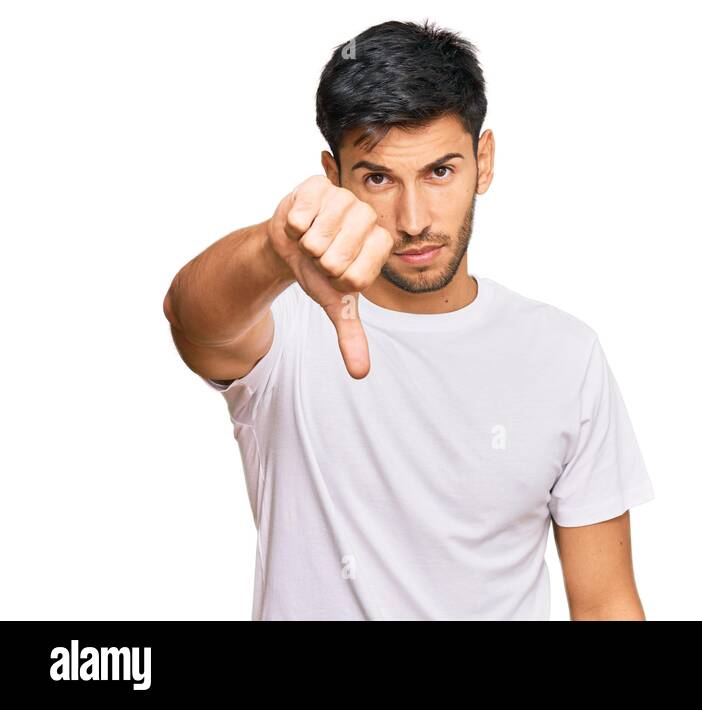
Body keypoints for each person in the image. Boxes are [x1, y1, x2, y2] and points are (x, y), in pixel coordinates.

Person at [162, 20, 654, 620]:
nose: (414, 218)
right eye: (378, 178)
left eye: (440, 172)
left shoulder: (564, 354)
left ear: (485, 161)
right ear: (334, 176)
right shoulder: (282, 328)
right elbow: (192, 319)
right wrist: (272, 250)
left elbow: (605, 603)